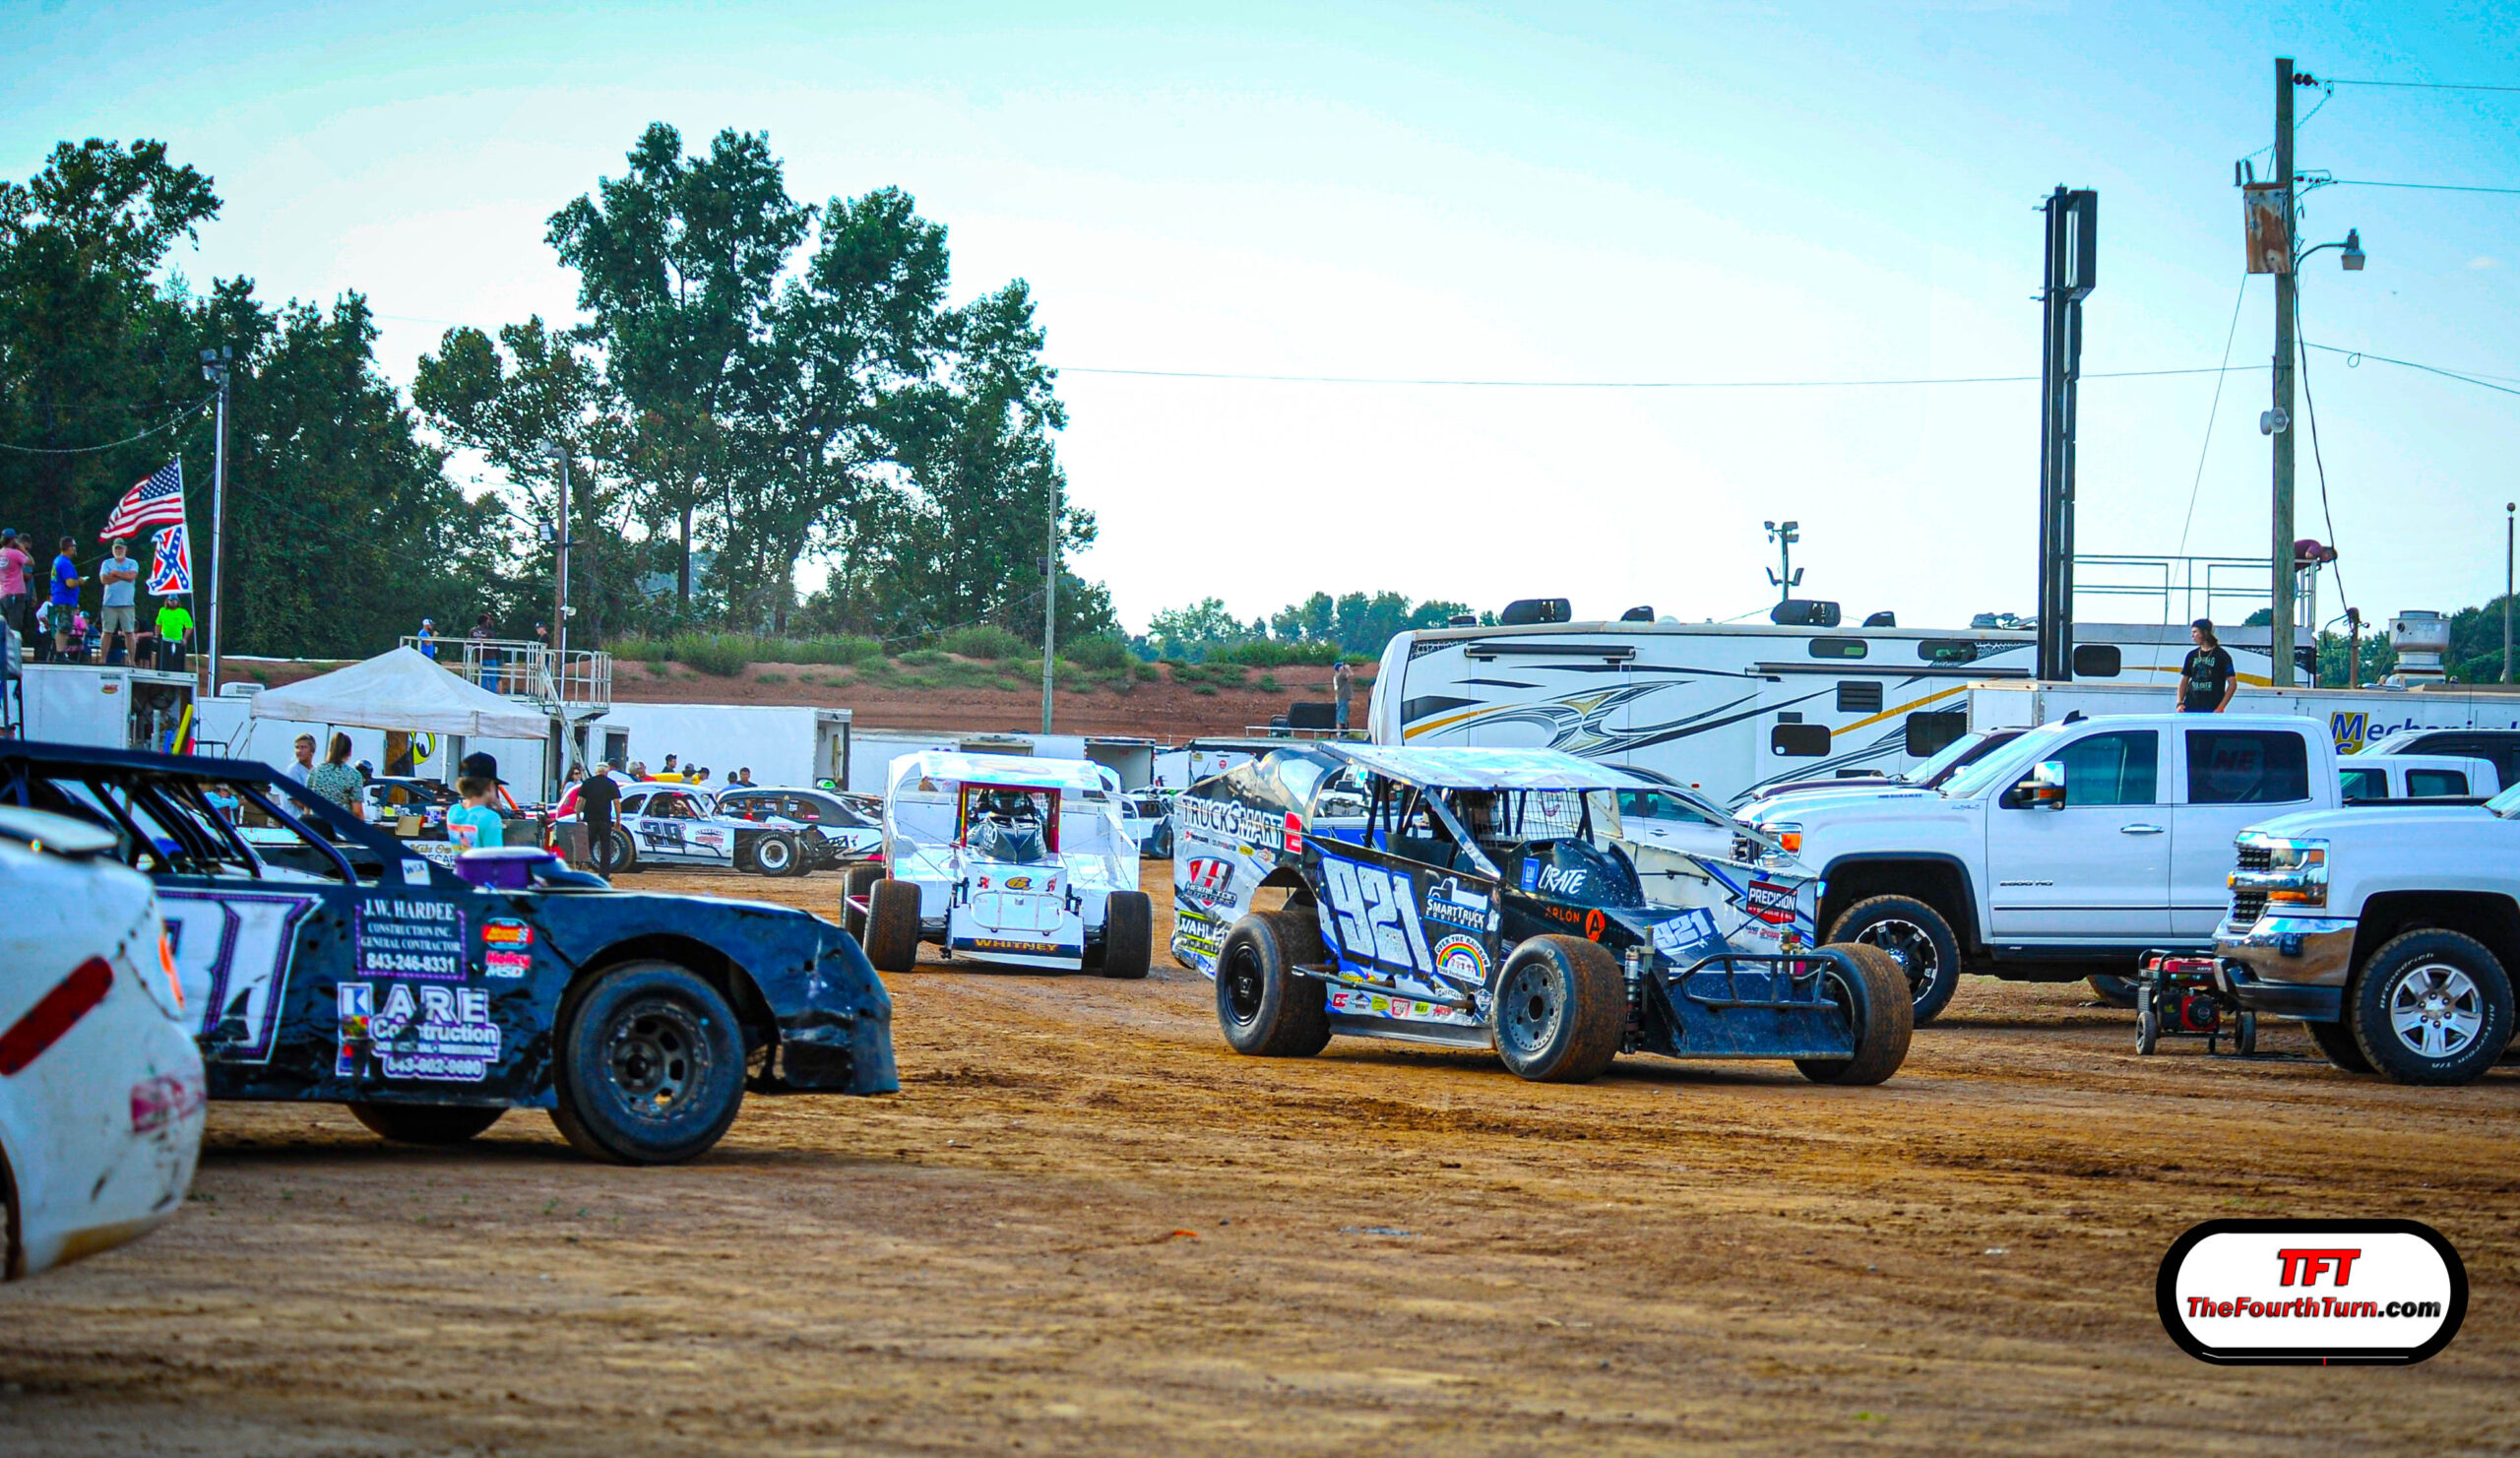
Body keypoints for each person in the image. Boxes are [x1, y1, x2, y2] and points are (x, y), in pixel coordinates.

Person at [2177, 618, 2237, 715]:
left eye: (2195, 632)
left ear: (2204, 633)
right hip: (2190, 707)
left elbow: (2232, 684)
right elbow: (2184, 680)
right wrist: (2180, 703)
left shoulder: (2222, 656)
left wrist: (2220, 707)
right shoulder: (2192, 655)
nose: (2192, 635)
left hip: (2212, 709)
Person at [97, 538, 138, 665]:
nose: (119, 550)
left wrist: (115, 574)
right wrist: (123, 576)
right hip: (109, 603)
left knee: (129, 632)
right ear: (113, 550)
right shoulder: (106, 563)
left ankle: (132, 661)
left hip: (127, 604)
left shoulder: (133, 562)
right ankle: (103, 659)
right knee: (107, 632)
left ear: (126, 549)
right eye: (116, 548)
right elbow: (104, 579)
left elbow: (132, 577)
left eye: (121, 548)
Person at [577, 759, 622, 874]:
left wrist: (578, 816)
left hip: (590, 819)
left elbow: (580, 800)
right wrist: (618, 820)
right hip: (605, 820)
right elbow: (617, 803)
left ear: (596, 771)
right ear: (607, 772)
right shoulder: (611, 783)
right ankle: (604, 873)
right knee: (605, 848)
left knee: (587, 845)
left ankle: (583, 868)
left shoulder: (587, 782)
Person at [307, 733, 365, 817]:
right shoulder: (354, 776)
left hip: (317, 825)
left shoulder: (315, 771)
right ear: (349, 752)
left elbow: (307, 803)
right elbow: (357, 811)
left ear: (330, 749)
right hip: (340, 825)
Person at [446, 776, 505, 850]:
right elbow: (495, 856)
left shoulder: (453, 811)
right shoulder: (490, 817)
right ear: (490, 786)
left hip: (460, 861)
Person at [48, 537, 82, 662]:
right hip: (64, 599)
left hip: (61, 598)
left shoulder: (58, 560)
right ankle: (60, 654)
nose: (74, 549)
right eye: (73, 546)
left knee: (64, 625)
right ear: (68, 547)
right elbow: (70, 583)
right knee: (64, 626)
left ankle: (60, 653)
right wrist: (80, 581)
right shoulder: (65, 562)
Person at [0, 530, 30, 658]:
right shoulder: (15, 553)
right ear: (12, 540)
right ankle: (15, 655)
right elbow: (30, 562)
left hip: (3, 593)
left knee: (3, 626)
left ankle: (4, 654)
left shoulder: (1, 553)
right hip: (15, 593)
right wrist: (23, 549)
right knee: (15, 627)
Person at [154, 593, 194, 671]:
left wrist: (185, 638)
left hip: (177, 641)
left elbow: (189, 627)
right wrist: (157, 636)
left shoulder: (183, 612)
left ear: (178, 602)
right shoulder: (163, 611)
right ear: (167, 601)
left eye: (175, 600)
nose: (172, 602)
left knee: (176, 660)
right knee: (164, 659)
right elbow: (158, 624)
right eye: (171, 600)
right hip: (165, 640)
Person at [471, 612, 499, 691]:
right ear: (485, 621)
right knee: (493, 677)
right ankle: (493, 695)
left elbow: (470, 643)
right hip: (491, 657)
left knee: (483, 677)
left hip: (480, 657)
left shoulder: (473, 631)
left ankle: (483, 694)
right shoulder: (489, 632)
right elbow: (494, 645)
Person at [1333, 658, 1354, 735]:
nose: (1343, 667)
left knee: (1343, 716)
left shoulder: (1339, 675)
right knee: (1340, 716)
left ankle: (1341, 733)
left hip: (1343, 698)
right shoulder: (1340, 675)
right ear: (1339, 668)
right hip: (1342, 698)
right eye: (1342, 666)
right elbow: (1351, 675)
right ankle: (1338, 733)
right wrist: (1348, 669)